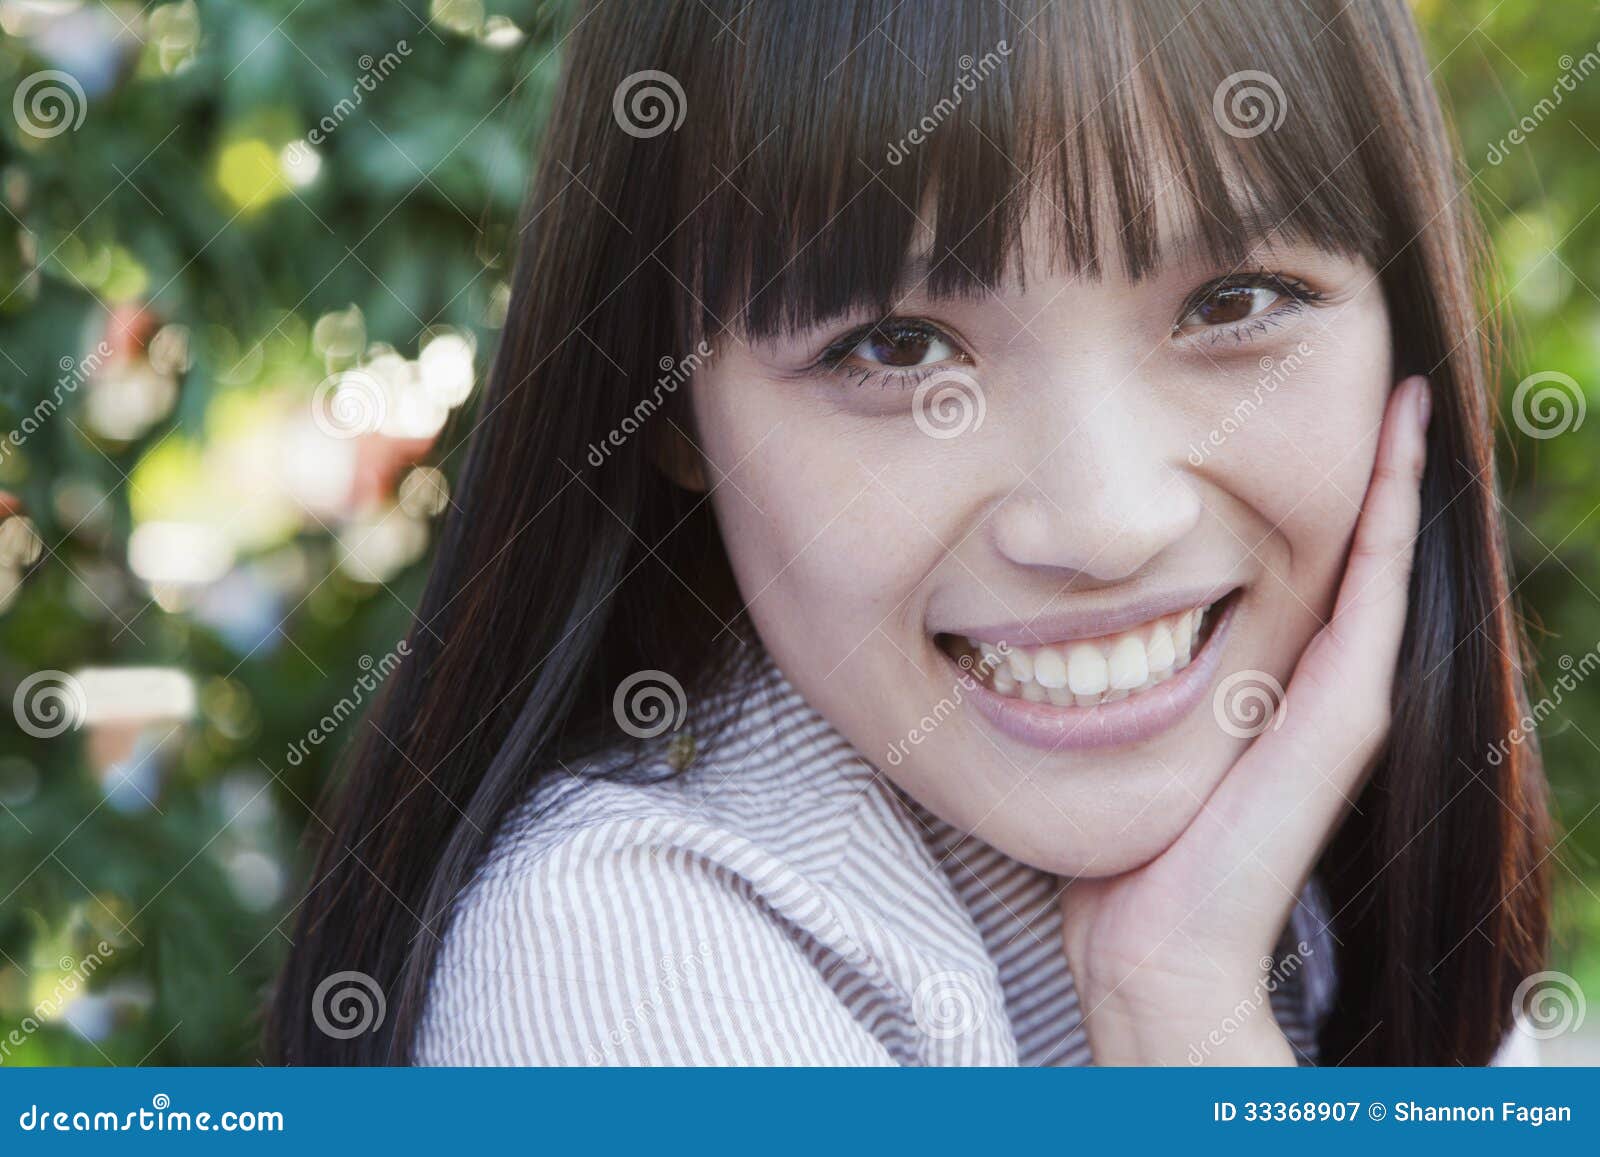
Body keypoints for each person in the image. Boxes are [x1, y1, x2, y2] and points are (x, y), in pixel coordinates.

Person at [270, 0, 1550, 1066]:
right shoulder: (622, 957)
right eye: (891, 347)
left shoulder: (1317, 841)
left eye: (1237, 300)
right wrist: (1182, 1020)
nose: (1104, 523)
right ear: (666, 409)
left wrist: (1183, 971)